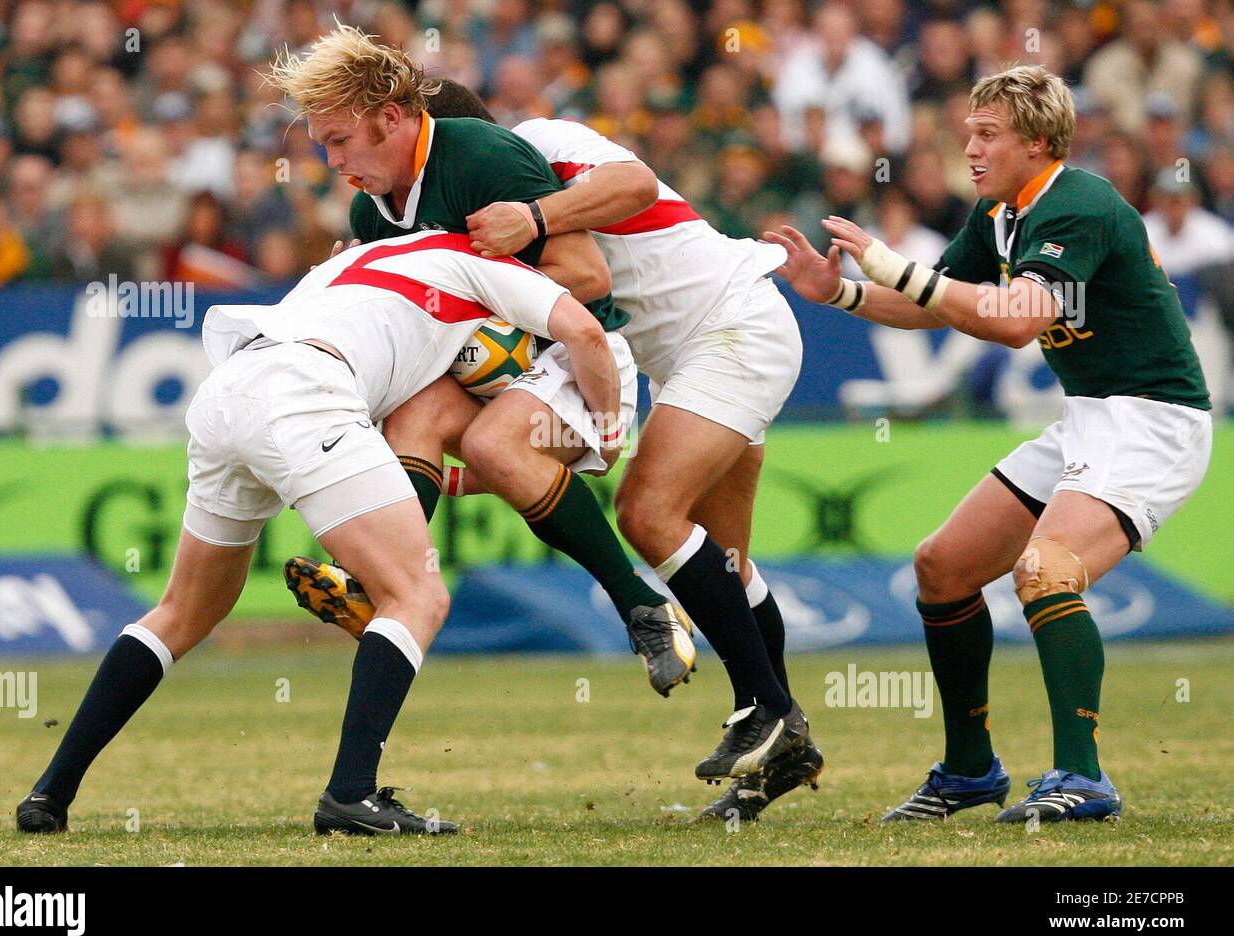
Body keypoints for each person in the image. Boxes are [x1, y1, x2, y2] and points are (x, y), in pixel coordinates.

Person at [292, 78, 822, 800]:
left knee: (647, 513)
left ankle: (764, 704)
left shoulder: (541, 144)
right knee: (722, 557)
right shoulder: (405, 203)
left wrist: (532, 214)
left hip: (732, 321)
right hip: (674, 360)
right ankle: (783, 737)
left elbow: (634, 183)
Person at [16, 230, 619, 837]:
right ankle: (351, 796)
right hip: (306, 392)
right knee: (418, 594)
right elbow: (587, 332)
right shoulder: (478, 260)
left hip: (229, 390)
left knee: (183, 610)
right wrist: (611, 432)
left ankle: (49, 794)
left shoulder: (361, 259)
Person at [769, 65, 1212, 823]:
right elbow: (936, 304)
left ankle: (1084, 777)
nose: (967, 148)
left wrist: (893, 266)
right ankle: (970, 771)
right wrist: (839, 290)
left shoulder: (1078, 204)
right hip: (1090, 415)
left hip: (1153, 420)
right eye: (967, 131)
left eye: (987, 134)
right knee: (943, 567)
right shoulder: (1002, 214)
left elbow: (1012, 320)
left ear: (1039, 141)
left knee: (1045, 570)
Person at [265, 25, 697, 698]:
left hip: (577, 353)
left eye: (341, 141)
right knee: (410, 414)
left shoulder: (480, 153)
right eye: (322, 146)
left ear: (389, 117)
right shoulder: (369, 209)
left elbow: (587, 278)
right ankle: (380, 583)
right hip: (483, 361)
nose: (332, 160)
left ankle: (639, 603)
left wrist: (486, 308)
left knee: (495, 445)